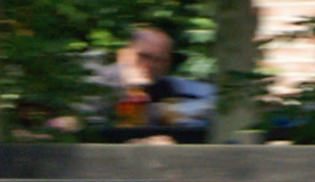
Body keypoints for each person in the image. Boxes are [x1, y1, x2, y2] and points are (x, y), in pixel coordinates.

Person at [49, 26, 217, 141]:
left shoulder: (170, 88)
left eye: (159, 60)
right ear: (125, 53)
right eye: (144, 56)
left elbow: (217, 100)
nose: (150, 65)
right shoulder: (98, 82)